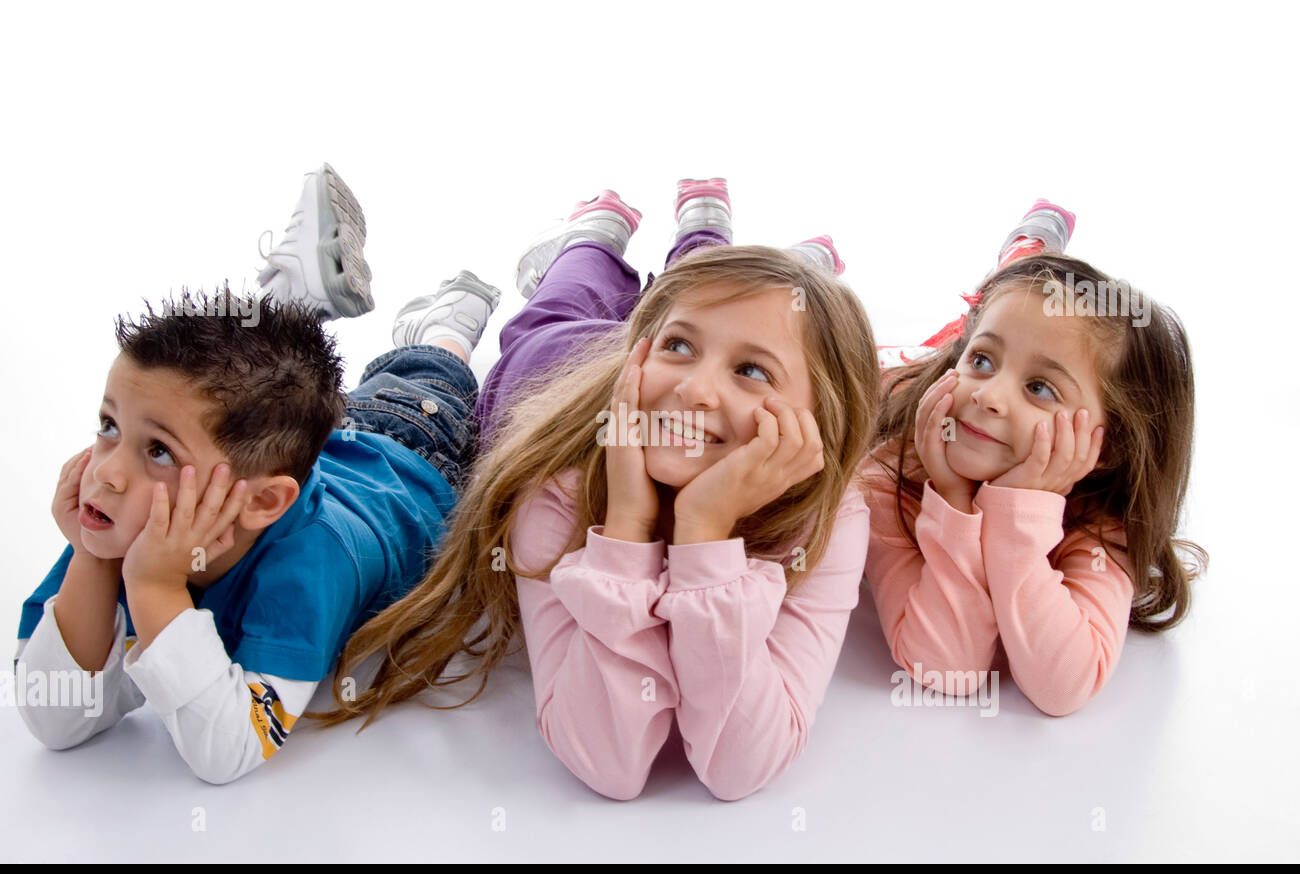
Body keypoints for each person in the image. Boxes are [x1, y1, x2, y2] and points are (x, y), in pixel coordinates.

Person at [323, 179, 882, 802]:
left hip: (635, 391)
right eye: (677, 347)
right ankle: (597, 228)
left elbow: (738, 765)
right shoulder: (557, 482)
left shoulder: (833, 514)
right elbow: (606, 762)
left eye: (751, 370)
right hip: (547, 364)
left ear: (824, 417)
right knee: (563, 300)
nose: (696, 388)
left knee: (715, 291)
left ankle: (716, 243)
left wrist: (702, 532)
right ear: (640, 357)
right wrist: (625, 525)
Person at [13, 163, 500, 783]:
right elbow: (56, 718)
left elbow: (230, 751)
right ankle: (286, 312)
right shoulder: (123, 519)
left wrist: (158, 589)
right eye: (109, 426)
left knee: (429, 369)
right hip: (302, 455)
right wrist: (94, 555)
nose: (105, 474)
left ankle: (451, 320)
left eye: (156, 450)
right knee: (256, 400)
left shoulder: (307, 566)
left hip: (414, 453)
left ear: (263, 504)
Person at [862, 200, 1205, 716]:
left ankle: (1023, 259)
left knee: (1006, 307)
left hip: (966, 342)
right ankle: (1021, 262)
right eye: (981, 362)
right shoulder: (890, 477)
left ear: (1106, 446)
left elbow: (1062, 686)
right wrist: (952, 500)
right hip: (887, 374)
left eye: (1041, 388)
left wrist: (1016, 514)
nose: (989, 396)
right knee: (982, 312)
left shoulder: (1102, 523)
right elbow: (946, 669)